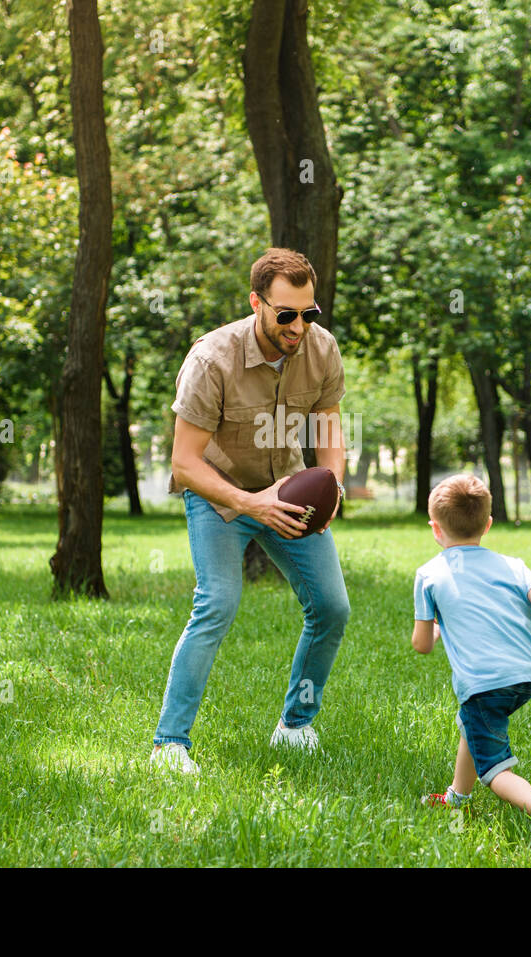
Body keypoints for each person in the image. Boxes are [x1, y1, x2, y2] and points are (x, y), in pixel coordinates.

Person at [150, 248, 350, 775]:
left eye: (309, 312)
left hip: (286, 493)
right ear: (257, 303)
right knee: (217, 602)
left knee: (332, 608)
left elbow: (327, 430)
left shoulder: (321, 349)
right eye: (286, 313)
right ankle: (170, 744)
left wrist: (332, 488)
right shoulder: (212, 359)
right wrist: (247, 504)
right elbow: (185, 462)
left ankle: (295, 726)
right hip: (218, 495)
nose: (298, 325)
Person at [411, 474, 531, 831]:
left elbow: (421, 645)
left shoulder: (429, 575)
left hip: (484, 683)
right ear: (487, 524)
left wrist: (437, 628)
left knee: (496, 771)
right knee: (471, 723)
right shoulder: (513, 565)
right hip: (526, 675)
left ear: (435, 529)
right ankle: (456, 799)